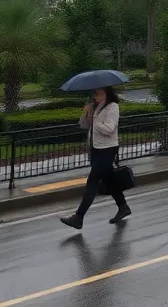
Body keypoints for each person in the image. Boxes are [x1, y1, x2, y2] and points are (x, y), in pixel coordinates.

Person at [60, 86, 130, 229]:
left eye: (99, 93)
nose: (95, 96)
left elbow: (109, 129)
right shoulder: (96, 108)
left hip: (108, 149)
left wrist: (95, 119)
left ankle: (79, 217)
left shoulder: (113, 107)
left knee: (92, 181)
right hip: (96, 148)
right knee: (109, 179)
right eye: (95, 94)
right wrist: (87, 114)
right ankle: (123, 206)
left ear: (107, 94)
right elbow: (84, 125)